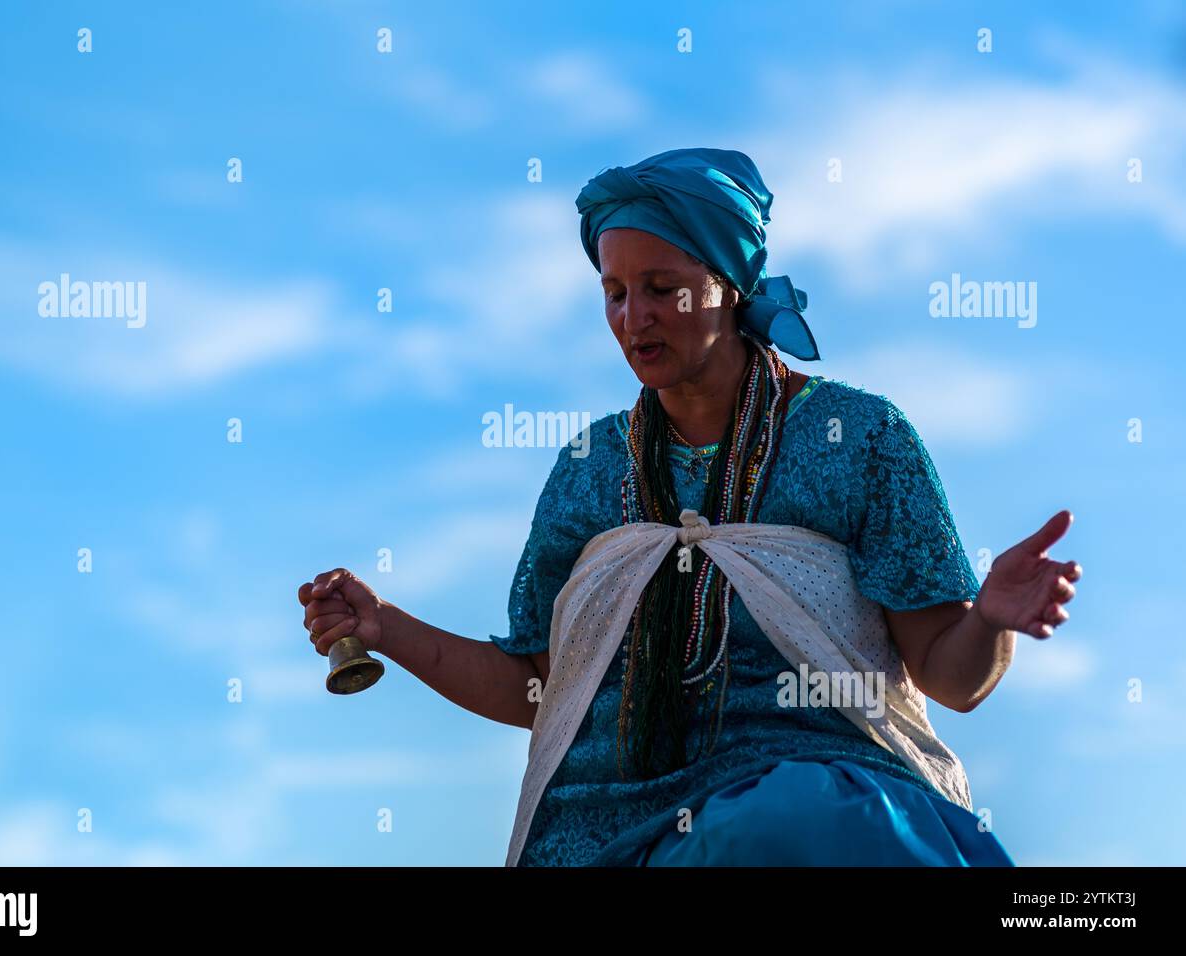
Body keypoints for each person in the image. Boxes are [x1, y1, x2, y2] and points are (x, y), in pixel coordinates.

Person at [298, 147, 1082, 867]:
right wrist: (384, 628)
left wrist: (987, 621)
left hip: (815, 804)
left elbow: (952, 679)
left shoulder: (859, 437)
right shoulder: (588, 468)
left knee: (789, 822)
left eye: (662, 289)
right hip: (604, 827)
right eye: (613, 293)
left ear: (730, 285)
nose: (633, 317)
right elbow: (539, 687)